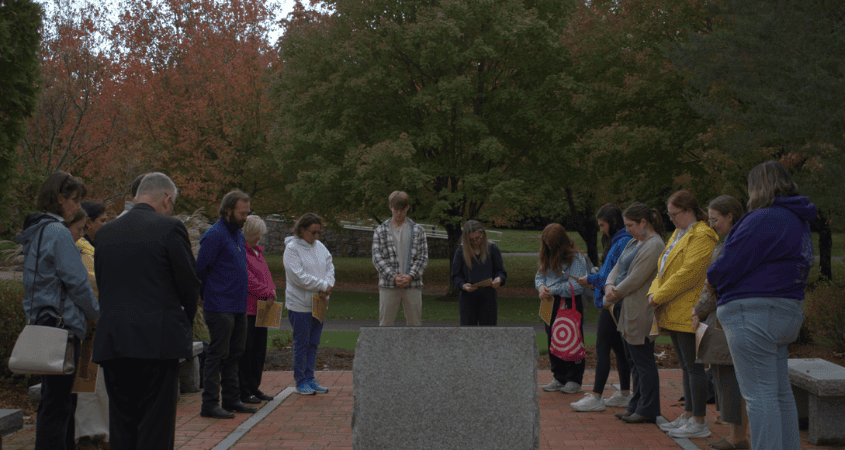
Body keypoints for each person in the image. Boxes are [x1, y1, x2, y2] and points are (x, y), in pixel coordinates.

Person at [707, 161, 816, 450]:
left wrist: (712, 280)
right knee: (779, 394)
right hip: (786, 310)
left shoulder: (762, 218)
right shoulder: (798, 220)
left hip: (753, 312)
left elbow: (726, 263)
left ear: (758, 186)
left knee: (759, 395)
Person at [92, 172, 201, 449]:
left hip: (114, 339)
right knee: (155, 423)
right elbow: (189, 285)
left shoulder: (104, 233)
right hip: (157, 340)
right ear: (166, 198)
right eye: (172, 203)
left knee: (121, 421)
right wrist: (183, 324)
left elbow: (104, 286)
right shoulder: (169, 228)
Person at [16, 171, 100, 450]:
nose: (78, 208)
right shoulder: (58, 231)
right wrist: (93, 313)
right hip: (63, 325)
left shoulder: (37, 230)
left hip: (44, 320)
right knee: (61, 402)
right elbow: (76, 281)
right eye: (74, 201)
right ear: (59, 199)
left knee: (55, 400)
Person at [649, 190, 718, 439]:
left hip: (689, 310)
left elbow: (689, 273)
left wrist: (658, 296)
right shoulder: (680, 234)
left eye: (674, 214)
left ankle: (699, 420)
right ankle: (689, 414)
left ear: (688, 210)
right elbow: (664, 267)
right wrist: (654, 291)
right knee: (686, 367)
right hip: (673, 308)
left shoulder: (702, 235)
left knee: (694, 368)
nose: (671, 219)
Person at [692, 195, 749, 450]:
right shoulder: (732, 241)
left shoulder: (733, 244)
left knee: (730, 379)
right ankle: (736, 435)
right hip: (725, 317)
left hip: (727, 320)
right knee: (726, 377)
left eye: (715, 219)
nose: (712, 225)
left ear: (730, 216)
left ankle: (738, 438)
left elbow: (714, 283)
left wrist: (698, 311)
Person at [603, 202, 666, 424]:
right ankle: (636, 405)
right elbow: (617, 268)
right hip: (626, 309)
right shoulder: (633, 241)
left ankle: (648, 409)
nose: (626, 229)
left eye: (630, 225)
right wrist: (609, 285)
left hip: (641, 311)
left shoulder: (654, 245)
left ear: (644, 223)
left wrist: (614, 293)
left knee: (643, 360)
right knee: (634, 361)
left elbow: (636, 278)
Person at [196, 190, 255, 419]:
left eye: (247, 213)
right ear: (228, 210)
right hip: (219, 305)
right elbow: (200, 269)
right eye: (242, 213)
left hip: (238, 305)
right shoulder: (215, 235)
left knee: (235, 353)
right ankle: (209, 403)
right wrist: (204, 295)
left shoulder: (238, 235)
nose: (245, 218)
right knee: (217, 354)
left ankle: (232, 399)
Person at [571, 204, 633, 411]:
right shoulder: (619, 241)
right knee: (619, 349)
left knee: (602, 347)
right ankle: (625, 392)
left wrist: (591, 279)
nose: (601, 230)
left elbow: (611, 276)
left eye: (603, 225)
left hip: (612, 302)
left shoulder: (621, 242)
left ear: (614, 222)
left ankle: (597, 396)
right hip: (614, 301)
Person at [284, 213, 335, 395]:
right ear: (302, 230)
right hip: (300, 305)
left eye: (318, 232)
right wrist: (321, 285)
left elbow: (330, 266)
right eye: (312, 233)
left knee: (313, 343)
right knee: (302, 343)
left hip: (319, 303)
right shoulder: (292, 249)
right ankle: (301, 381)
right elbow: (298, 277)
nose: (316, 237)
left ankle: (310, 377)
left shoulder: (320, 247)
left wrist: (328, 284)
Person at [535, 223, 589, 394]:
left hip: (568, 303)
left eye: (552, 244)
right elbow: (539, 276)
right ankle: (558, 377)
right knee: (553, 338)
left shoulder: (576, 258)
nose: (549, 247)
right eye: (546, 243)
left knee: (571, 338)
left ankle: (574, 379)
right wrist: (541, 286)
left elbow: (577, 286)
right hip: (549, 302)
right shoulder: (547, 256)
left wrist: (553, 289)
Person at [372, 191, 429, 326]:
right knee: (385, 325)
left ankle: (414, 348)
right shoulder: (380, 231)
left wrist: (410, 276)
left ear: (407, 207)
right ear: (390, 207)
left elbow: (423, 257)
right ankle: (384, 348)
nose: (399, 213)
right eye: (396, 209)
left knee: (415, 325)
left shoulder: (418, 230)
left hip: (413, 285)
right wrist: (393, 276)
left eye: (402, 209)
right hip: (388, 285)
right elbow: (377, 258)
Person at [238, 215, 277, 404]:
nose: (258, 239)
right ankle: (244, 390)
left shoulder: (258, 253)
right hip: (248, 309)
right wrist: (265, 292)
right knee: (247, 350)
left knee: (259, 351)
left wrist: (272, 290)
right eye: (256, 235)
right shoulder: (241, 252)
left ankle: (255, 386)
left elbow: (266, 275)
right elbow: (247, 280)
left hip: (263, 309)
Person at [450, 220, 507, 326]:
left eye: (478, 238)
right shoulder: (461, 250)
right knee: (469, 334)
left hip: (488, 297)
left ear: (483, 235)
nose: (475, 241)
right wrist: (463, 285)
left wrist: (499, 279)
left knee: (488, 333)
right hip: (468, 298)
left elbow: (501, 271)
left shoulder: (492, 248)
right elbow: (455, 275)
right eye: (471, 240)